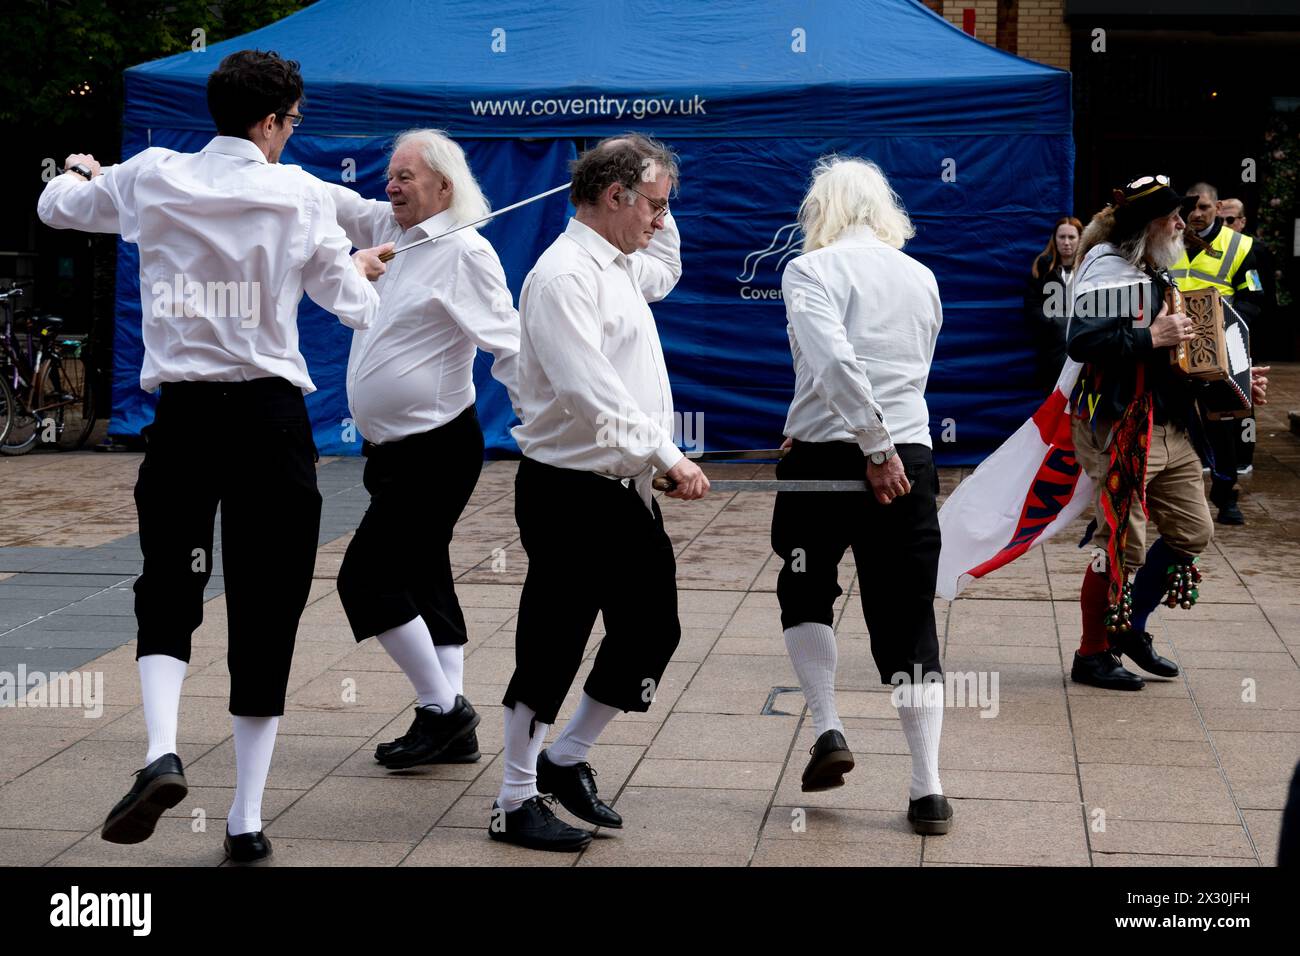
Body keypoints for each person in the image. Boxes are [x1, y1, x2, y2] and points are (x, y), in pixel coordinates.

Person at [36, 50, 390, 864]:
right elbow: (355, 308)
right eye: (292, 122)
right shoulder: (300, 194)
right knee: (269, 603)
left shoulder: (153, 175)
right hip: (269, 420)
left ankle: (160, 750)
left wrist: (83, 171)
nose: (291, 134)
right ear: (271, 122)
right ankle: (245, 819)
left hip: (185, 417)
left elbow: (57, 209)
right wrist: (363, 269)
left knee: (169, 580)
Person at [490, 134, 709, 852]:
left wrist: (651, 179)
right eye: (652, 205)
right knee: (553, 643)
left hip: (620, 493)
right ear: (614, 197)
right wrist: (669, 458)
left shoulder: (621, 263)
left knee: (653, 631)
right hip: (567, 492)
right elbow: (593, 396)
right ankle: (513, 801)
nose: (659, 220)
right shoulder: (562, 278)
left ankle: (566, 756)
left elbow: (667, 267)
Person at [321, 130, 522, 770]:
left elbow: (509, 345)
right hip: (393, 452)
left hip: (437, 450)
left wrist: (547, 431)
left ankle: (445, 712)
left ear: (445, 186)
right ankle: (447, 719)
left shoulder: (466, 252)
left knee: (367, 580)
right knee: (425, 580)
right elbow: (328, 200)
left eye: (407, 176)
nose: (392, 184)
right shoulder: (396, 234)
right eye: (391, 174)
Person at [772, 156, 951, 835]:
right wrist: (886, 444)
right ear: (884, 213)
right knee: (908, 617)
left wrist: (867, 445)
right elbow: (907, 368)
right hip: (908, 458)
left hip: (836, 458)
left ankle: (827, 726)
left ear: (821, 212)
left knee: (805, 589)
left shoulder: (808, 269)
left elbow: (833, 360)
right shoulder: (921, 275)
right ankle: (927, 789)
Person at [1066, 174, 1266, 692]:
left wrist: (1239, 385)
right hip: (1119, 422)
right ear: (1148, 224)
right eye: (1174, 216)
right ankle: (1091, 655)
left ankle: (1130, 626)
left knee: (1193, 531)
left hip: (1170, 424)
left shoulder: (1161, 270)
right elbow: (1080, 338)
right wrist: (1148, 335)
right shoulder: (1108, 266)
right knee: (1119, 545)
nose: (1184, 222)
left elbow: (1187, 361)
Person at [1174, 183, 1266, 524]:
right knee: (1175, 421)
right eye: (1191, 208)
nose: (1197, 214)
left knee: (1224, 424)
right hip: (1175, 345)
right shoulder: (1167, 240)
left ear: (1219, 206)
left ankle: (1226, 496)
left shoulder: (1241, 247)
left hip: (1222, 348)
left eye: (1205, 207)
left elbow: (1254, 299)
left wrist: (1220, 320)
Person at [1024, 217, 1083, 392]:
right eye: (1061, 237)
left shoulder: (1089, 269)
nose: (1066, 242)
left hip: (1083, 347)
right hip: (1053, 352)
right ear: (1054, 239)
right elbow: (1031, 306)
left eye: (1071, 237)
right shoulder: (1042, 269)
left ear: (1080, 239)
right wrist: (1055, 323)